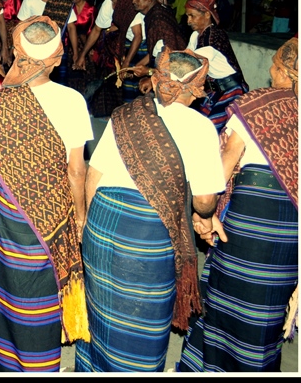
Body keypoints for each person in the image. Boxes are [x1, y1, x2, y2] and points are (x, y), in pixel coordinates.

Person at [74, 47, 226, 372]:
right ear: (197, 88)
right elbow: (203, 202)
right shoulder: (201, 129)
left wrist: (86, 224)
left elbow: (93, 174)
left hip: (103, 222)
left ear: (157, 79)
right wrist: (205, 214)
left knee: (100, 309)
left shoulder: (126, 115)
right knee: (140, 319)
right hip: (146, 236)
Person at [0, 16, 91, 372]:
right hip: (52, 214)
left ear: (18, 53)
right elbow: (76, 170)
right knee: (39, 293)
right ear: (58, 57)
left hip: (4, 215)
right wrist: (79, 217)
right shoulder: (72, 101)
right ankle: (38, 365)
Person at [177, 37, 299, 373]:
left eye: (275, 64)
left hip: (251, 217)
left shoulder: (260, 103)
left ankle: (214, 364)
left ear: (289, 71)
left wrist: (206, 213)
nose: (270, 71)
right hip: (291, 231)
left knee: (228, 295)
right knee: (268, 308)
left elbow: (228, 158)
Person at [73, 0, 137, 117]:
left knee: (131, 86)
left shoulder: (129, 2)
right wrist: (82, 55)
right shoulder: (108, 4)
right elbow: (96, 30)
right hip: (122, 45)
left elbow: (136, 34)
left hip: (136, 45)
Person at [184, 0, 249, 133]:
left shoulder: (213, 37)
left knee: (212, 129)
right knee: (200, 123)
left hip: (231, 89)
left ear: (207, 14)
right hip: (215, 89)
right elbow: (184, 56)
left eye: (192, 16)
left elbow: (187, 63)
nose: (188, 21)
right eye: (187, 16)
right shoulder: (196, 35)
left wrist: (151, 71)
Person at [130, 0, 188, 95]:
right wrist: (138, 66)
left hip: (174, 75)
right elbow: (157, 50)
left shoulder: (157, 18)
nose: (133, 1)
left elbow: (170, 57)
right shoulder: (158, 12)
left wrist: (151, 75)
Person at [65, 0, 96, 96]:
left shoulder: (91, 9)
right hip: (71, 45)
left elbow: (94, 29)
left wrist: (91, 48)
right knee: (71, 75)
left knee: (86, 75)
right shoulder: (68, 8)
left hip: (86, 44)